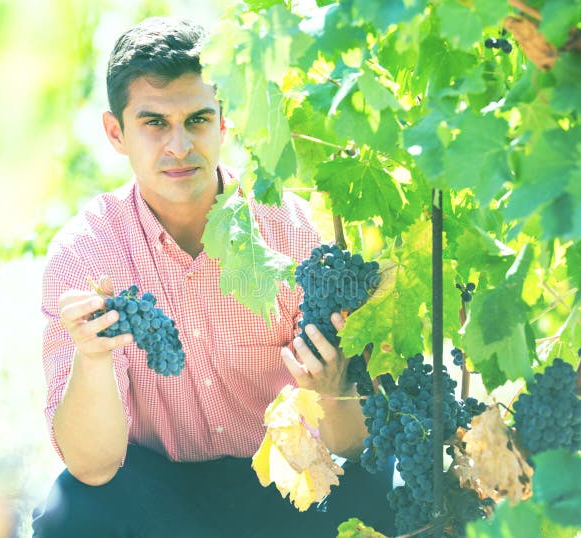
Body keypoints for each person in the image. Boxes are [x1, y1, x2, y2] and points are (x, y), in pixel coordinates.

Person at [31, 16, 394, 538]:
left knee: (377, 492)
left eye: (197, 119)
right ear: (117, 133)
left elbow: (354, 445)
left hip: (288, 483)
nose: (179, 146)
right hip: (162, 500)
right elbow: (93, 466)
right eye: (154, 123)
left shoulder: (292, 234)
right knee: (72, 514)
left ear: (222, 122)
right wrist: (92, 358)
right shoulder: (85, 255)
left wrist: (335, 389)